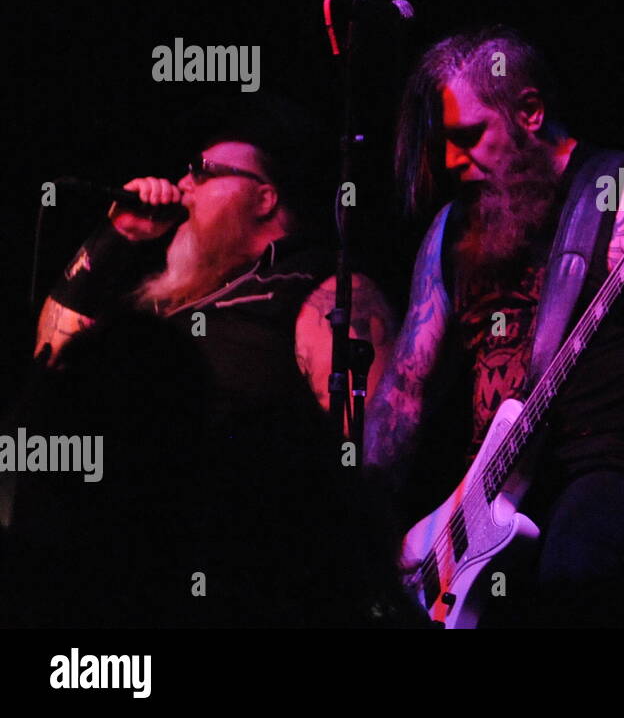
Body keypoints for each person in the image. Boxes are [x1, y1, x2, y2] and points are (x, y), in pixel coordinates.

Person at [365, 26, 624, 625]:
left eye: (468, 137)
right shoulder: (449, 230)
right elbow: (406, 390)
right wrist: (363, 513)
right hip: (485, 504)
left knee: (575, 575)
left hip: (608, 465)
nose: (451, 161)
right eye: (444, 143)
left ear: (531, 112)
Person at [16, 101, 408, 625]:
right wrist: (116, 237)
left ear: (265, 198)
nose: (183, 185)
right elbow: (51, 358)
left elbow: (369, 458)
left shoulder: (319, 290)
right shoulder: (166, 304)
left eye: (203, 172)